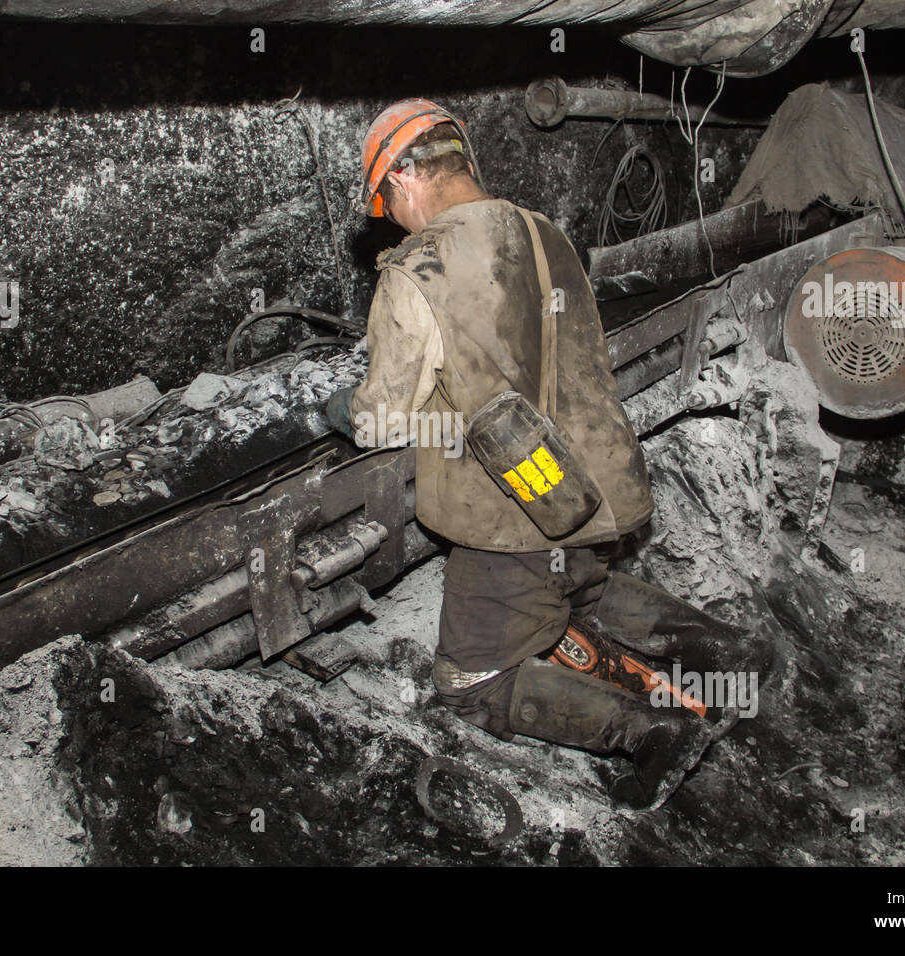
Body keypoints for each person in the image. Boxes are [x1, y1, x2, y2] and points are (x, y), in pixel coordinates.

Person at [327, 98, 767, 809]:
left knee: (469, 684)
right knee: (580, 586)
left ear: (405, 178)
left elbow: (382, 420)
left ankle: (650, 733)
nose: (390, 219)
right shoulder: (544, 232)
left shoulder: (414, 273)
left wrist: (343, 409)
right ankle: (725, 650)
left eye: (386, 203)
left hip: (518, 517)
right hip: (602, 487)